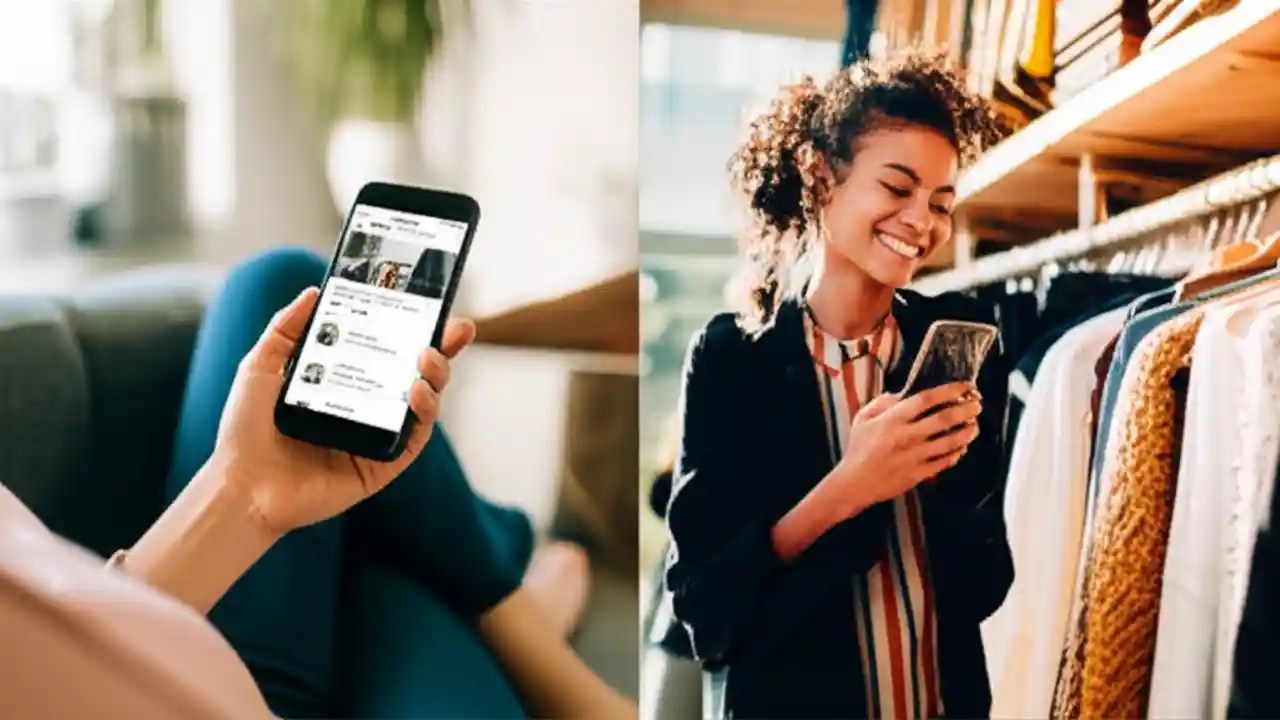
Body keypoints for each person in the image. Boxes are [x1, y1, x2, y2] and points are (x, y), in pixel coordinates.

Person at [0, 247, 637, 720]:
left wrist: (241, 491)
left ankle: (508, 599)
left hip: (161, 661)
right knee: (390, 571)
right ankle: (519, 614)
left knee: (281, 289)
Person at [662, 47, 1014, 718]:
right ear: (821, 177)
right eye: (897, 187)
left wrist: (950, 487)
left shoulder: (963, 344)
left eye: (941, 203)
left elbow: (984, 591)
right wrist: (852, 487)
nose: (923, 221)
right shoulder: (733, 358)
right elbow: (708, 612)